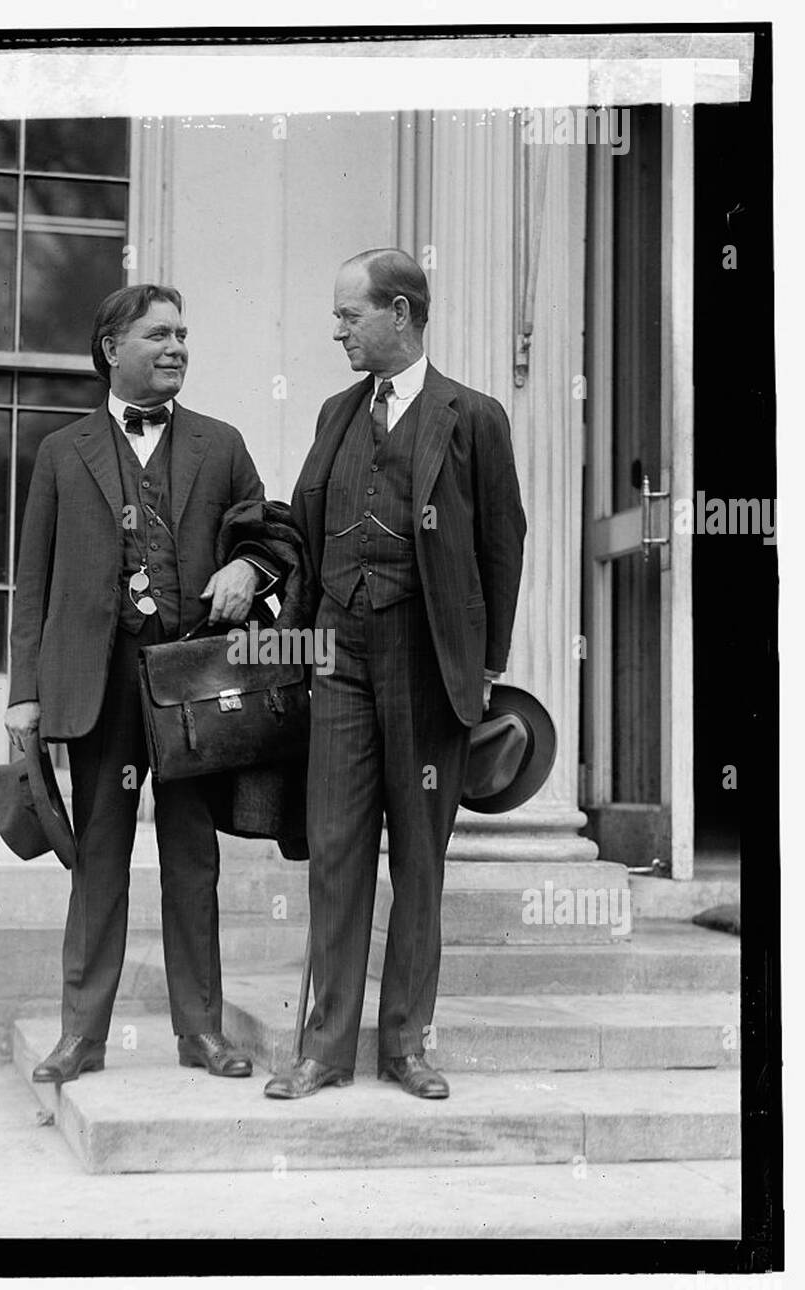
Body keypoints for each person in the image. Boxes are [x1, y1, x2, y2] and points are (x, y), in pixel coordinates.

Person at [265, 249, 527, 1101]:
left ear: (401, 313)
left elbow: (501, 544)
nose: (336, 329)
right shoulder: (336, 413)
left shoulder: (473, 417)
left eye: (350, 315)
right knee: (335, 850)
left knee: (417, 857)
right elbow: (307, 533)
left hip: (425, 656)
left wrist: (485, 666)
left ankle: (407, 1045)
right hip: (338, 654)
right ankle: (324, 1049)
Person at [6, 283, 276, 1084]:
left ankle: (202, 1034)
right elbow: (32, 581)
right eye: (158, 334)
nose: (176, 348)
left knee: (193, 858)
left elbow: (272, 534)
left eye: (183, 336)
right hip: (97, 683)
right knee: (98, 860)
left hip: (191, 686)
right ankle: (82, 1038)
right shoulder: (62, 453)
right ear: (110, 348)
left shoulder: (220, 445)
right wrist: (24, 692)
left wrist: (245, 565)